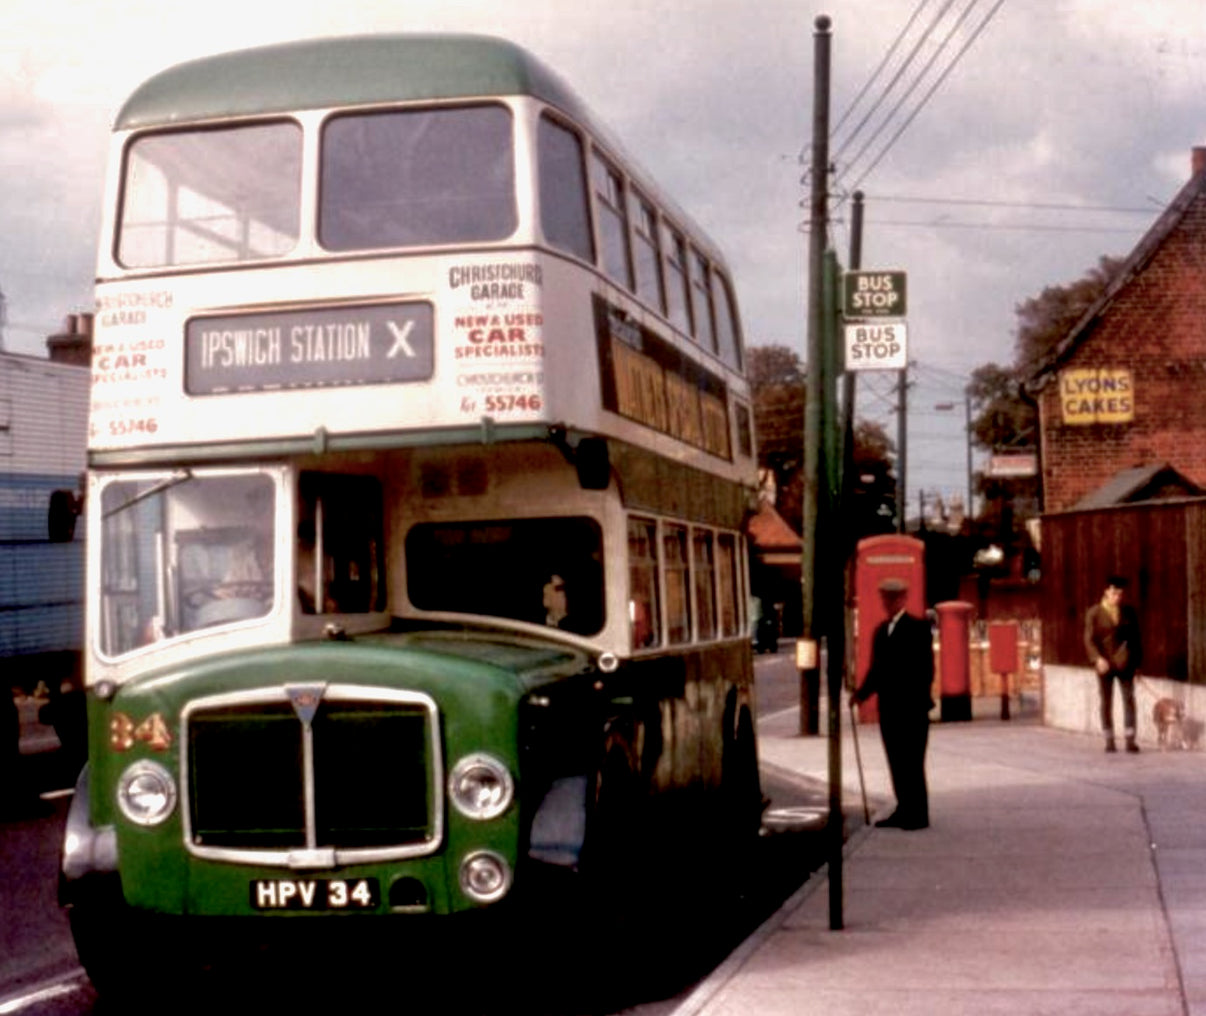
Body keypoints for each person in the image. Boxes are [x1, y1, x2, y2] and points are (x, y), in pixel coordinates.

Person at [853, 577, 934, 830]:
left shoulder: (918, 628)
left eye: (893, 598)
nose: (888, 603)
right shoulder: (881, 631)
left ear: (903, 598)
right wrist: (861, 694)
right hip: (889, 709)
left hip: (912, 709)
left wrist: (914, 698)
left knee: (912, 763)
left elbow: (926, 670)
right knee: (896, 761)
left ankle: (918, 815)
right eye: (885, 598)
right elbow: (876, 670)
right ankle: (903, 808)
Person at [1084, 575, 1143, 753]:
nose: (1117, 597)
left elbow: (1136, 639)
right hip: (1104, 665)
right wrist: (1097, 659)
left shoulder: (1128, 612)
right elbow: (1088, 639)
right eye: (1114, 593)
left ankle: (1130, 739)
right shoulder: (1094, 613)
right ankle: (1109, 739)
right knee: (1106, 701)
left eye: (1120, 594)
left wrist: (1138, 664)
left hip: (1125, 663)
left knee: (1129, 700)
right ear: (1106, 592)